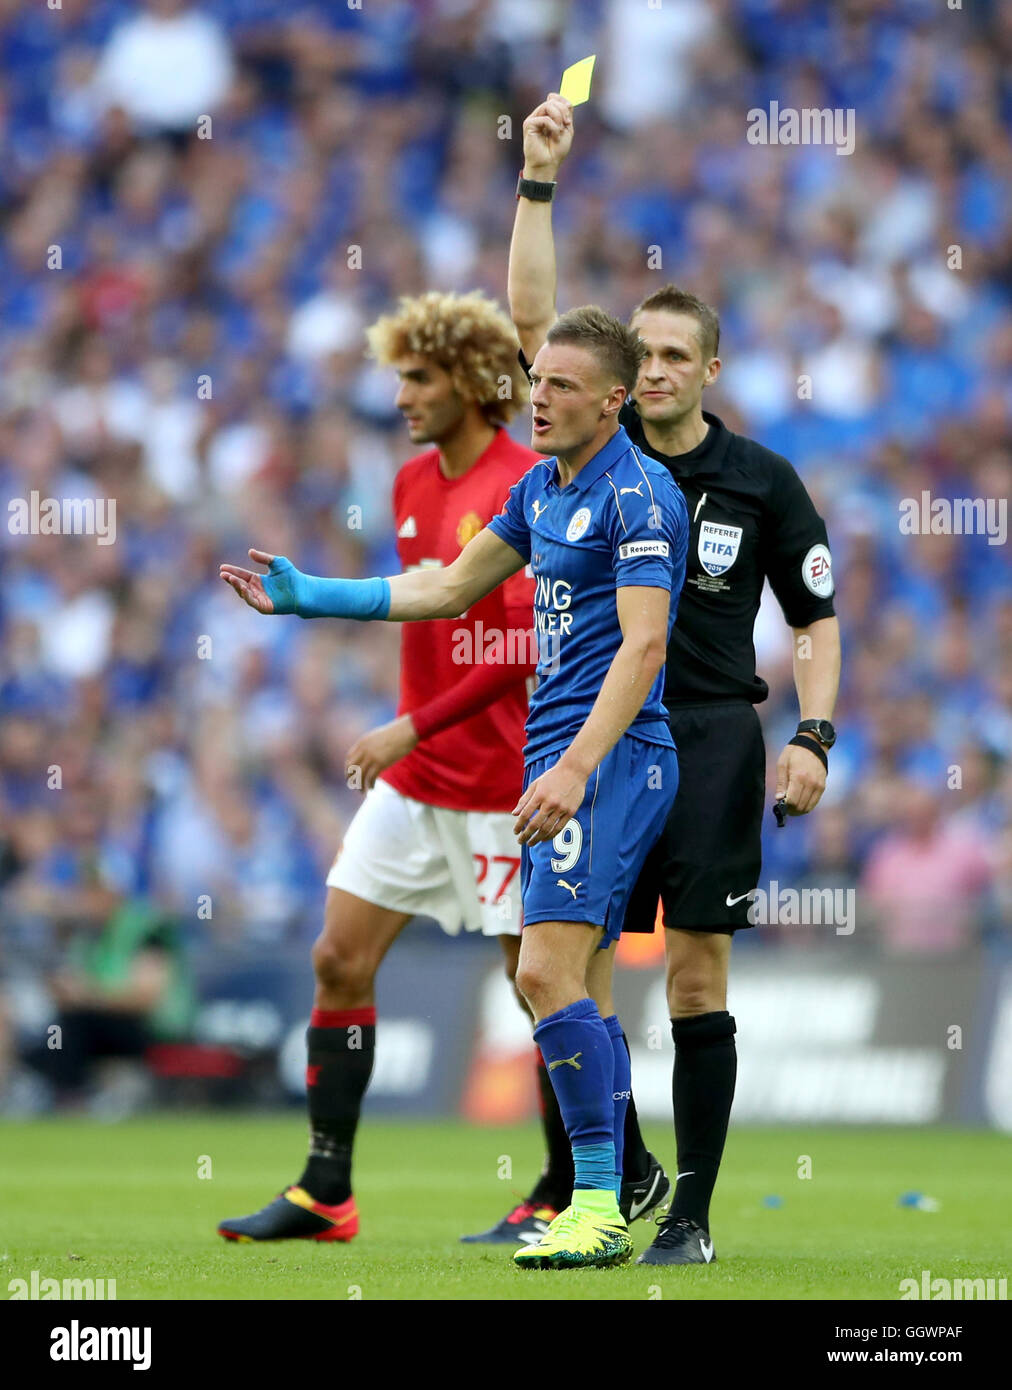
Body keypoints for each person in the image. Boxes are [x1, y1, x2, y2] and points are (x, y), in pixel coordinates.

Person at [220, 304, 689, 1270]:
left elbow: (645, 646)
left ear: (612, 400)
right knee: (575, 985)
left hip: (607, 760)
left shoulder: (640, 497)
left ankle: (595, 1201)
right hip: (555, 761)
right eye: (538, 379)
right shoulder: (545, 492)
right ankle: (610, 1186)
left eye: (559, 384)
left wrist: (571, 764)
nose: (539, 396)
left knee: (541, 975)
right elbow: (442, 589)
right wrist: (313, 596)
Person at [508, 95, 841, 1265]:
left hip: (705, 737)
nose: (645, 372)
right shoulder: (600, 452)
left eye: (665, 356)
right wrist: (538, 183)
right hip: (608, 733)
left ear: (707, 367)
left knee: (696, 974)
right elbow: (534, 324)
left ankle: (687, 1214)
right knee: (557, 973)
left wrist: (816, 735)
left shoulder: (762, 479)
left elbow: (815, 616)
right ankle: (624, 1167)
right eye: (634, 355)